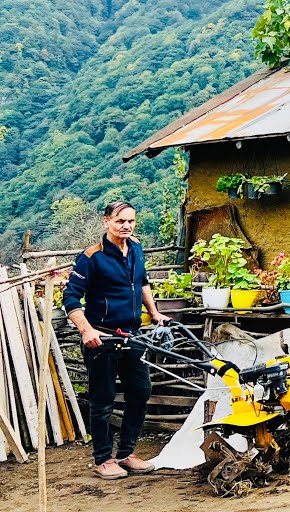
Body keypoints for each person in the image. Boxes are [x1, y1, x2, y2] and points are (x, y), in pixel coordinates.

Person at [63, 201, 170, 480]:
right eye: (120, 221)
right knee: (103, 400)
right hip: (102, 338)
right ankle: (103, 459)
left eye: (131, 221)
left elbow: (142, 282)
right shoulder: (91, 257)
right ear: (106, 221)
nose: (126, 226)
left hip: (132, 334)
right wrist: (87, 331)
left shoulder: (135, 248)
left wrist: (155, 313)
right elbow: (71, 297)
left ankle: (126, 454)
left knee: (140, 392)